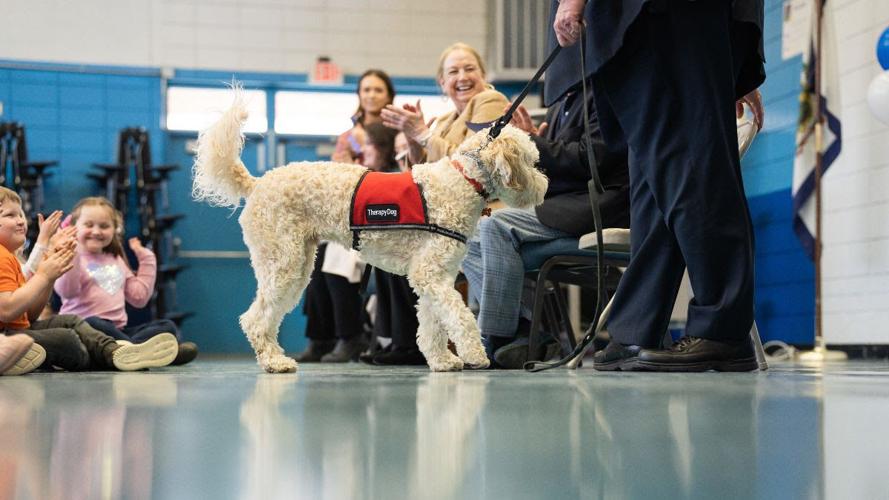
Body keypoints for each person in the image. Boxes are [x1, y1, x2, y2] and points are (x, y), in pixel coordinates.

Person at [552, 0, 766, 371]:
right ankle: (637, 327)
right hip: (672, 18)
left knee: (688, 163)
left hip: (657, 15)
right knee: (656, 179)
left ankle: (723, 327)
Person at [461, 85, 630, 368]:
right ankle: (523, 332)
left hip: (599, 206)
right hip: (564, 202)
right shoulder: (561, 102)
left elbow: (591, 159)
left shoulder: (604, 93)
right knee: (467, 237)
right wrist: (534, 145)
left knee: (495, 226)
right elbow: (557, 163)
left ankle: (500, 337)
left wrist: (529, 142)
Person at [0, 188, 177, 372]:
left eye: (20, 214)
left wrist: (48, 278)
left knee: (166, 326)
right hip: (15, 334)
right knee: (72, 337)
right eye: (10, 215)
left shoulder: (10, 258)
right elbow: (7, 311)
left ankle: (120, 351)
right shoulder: (3, 257)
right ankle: (130, 353)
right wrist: (45, 273)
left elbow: (30, 316)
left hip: (115, 329)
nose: (21, 220)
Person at [294, 124, 401, 363]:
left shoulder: (391, 175)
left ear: (383, 148)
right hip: (358, 237)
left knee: (338, 256)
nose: (363, 149)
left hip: (380, 241)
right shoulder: (362, 171)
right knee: (317, 253)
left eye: (369, 145)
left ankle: (350, 335)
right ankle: (321, 338)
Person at [53, 197, 197, 365]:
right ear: (73, 227)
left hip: (117, 332)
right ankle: (155, 354)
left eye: (104, 226)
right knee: (94, 323)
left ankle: (129, 352)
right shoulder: (70, 256)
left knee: (167, 326)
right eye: (89, 225)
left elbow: (139, 298)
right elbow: (68, 292)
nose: (96, 231)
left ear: (115, 229)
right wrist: (73, 253)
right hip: (85, 332)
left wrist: (147, 259)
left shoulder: (116, 259)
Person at [382, 42, 510, 165]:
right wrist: (414, 141)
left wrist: (422, 134)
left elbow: (474, 161)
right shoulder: (443, 121)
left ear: (483, 76)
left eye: (469, 69)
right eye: (453, 72)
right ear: (442, 83)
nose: (462, 77)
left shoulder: (492, 100)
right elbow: (425, 168)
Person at [332, 69, 396, 164]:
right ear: (359, 95)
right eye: (366, 90)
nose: (372, 95)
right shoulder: (350, 137)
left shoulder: (400, 133)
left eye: (378, 90)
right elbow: (338, 165)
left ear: (389, 96)